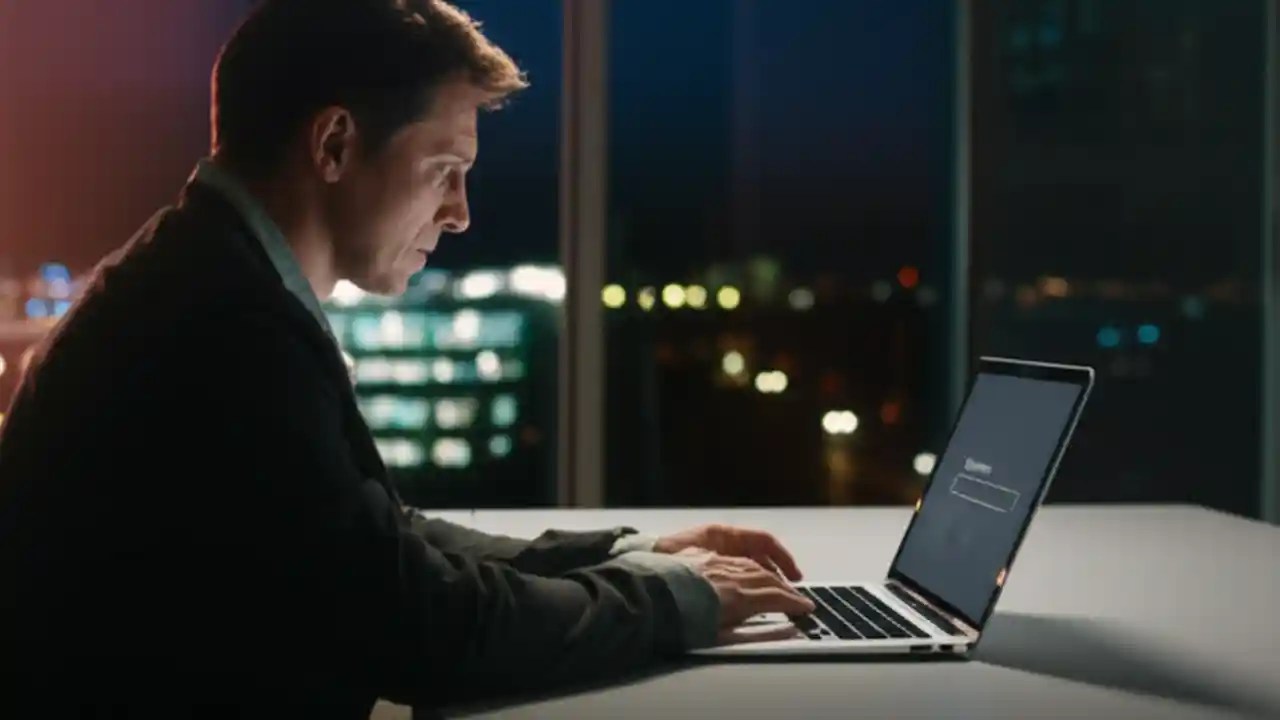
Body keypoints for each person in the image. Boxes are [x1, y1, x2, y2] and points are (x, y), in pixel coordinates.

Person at [0, 0, 815, 715]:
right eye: (444, 171)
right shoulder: (222, 331)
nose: (460, 214)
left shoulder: (204, 276)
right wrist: (671, 601)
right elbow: (422, 632)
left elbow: (374, 541)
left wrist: (626, 554)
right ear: (334, 143)